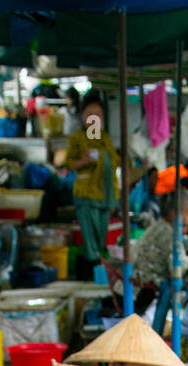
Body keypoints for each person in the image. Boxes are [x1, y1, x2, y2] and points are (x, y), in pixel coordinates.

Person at [64, 91, 119, 272]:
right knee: (89, 234)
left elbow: (114, 162)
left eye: (98, 115)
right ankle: (91, 267)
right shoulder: (77, 138)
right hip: (86, 193)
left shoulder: (104, 138)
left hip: (105, 194)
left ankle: (99, 267)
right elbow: (68, 164)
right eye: (90, 114)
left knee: (101, 233)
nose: (94, 118)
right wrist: (84, 160)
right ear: (82, 117)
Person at [130, 191, 188, 311]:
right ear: (174, 213)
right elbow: (180, 271)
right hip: (147, 294)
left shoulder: (158, 226)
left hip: (141, 286)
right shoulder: (170, 235)